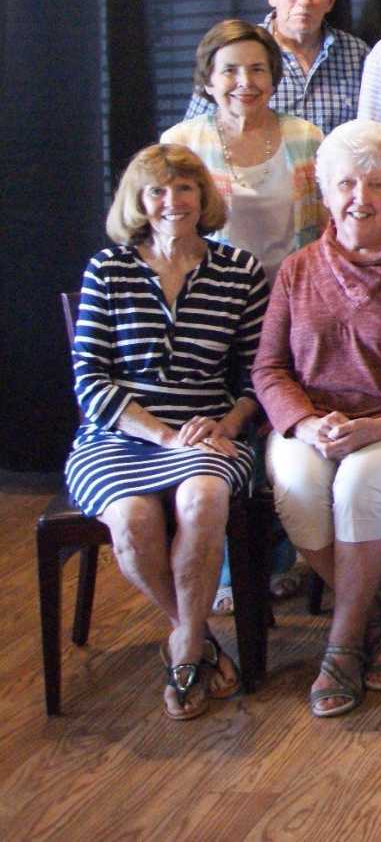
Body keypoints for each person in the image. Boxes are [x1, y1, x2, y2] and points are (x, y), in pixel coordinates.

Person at [65, 144, 268, 720]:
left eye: (184, 188)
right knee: (133, 521)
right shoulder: (109, 269)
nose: (172, 201)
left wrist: (229, 423)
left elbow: (259, 373)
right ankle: (192, 636)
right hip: (120, 434)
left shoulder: (238, 271)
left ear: (203, 197)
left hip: (209, 431)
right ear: (139, 200)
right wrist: (160, 434)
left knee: (204, 498)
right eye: (158, 190)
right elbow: (89, 378)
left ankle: (184, 648)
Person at [251, 121, 381, 716]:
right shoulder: (297, 270)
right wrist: (306, 425)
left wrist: (380, 426)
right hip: (314, 424)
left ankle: (341, 646)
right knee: (297, 485)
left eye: (377, 184)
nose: (362, 198)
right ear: (328, 194)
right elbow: (268, 369)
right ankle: (371, 620)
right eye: (348, 184)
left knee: (361, 486)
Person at [161, 18, 325, 277]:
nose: (245, 81)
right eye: (230, 70)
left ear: (273, 79)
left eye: (257, 69)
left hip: (294, 294)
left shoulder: (306, 137)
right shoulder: (182, 143)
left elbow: (326, 225)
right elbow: (165, 233)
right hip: (214, 297)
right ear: (208, 81)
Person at [181, 0, 369, 134]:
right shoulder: (232, 50)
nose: (304, 1)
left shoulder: (358, 56)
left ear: (331, 0)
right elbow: (191, 138)